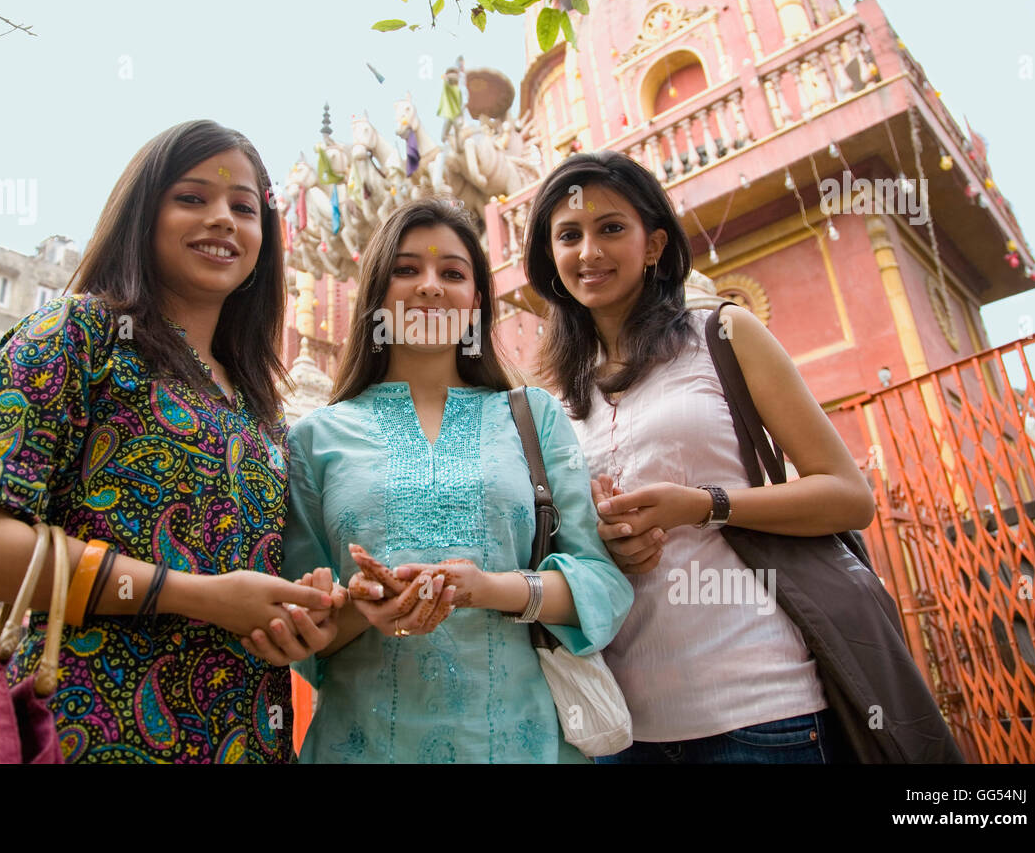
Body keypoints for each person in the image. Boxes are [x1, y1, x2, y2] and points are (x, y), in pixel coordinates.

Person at [0, 120, 342, 763]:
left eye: (244, 207)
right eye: (192, 198)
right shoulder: (77, 334)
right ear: (143, 214)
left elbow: (253, 582)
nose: (223, 219)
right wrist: (200, 598)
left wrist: (304, 613)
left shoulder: (260, 411)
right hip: (85, 729)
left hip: (245, 739)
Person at [522, 151, 876, 764]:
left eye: (611, 228)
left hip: (760, 710)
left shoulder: (723, 337)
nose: (589, 252)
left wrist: (704, 505)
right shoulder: (550, 400)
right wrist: (606, 544)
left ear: (654, 244)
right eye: (569, 236)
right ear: (551, 260)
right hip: (620, 727)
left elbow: (849, 496)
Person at [271, 197, 633, 764]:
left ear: (477, 302)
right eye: (407, 269)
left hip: (528, 744)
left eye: (453, 273)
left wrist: (487, 589)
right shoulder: (314, 440)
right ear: (375, 296)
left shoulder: (532, 417)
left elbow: (600, 585)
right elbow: (302, 625)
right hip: (364, 744)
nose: (430, 287)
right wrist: (364, 608)